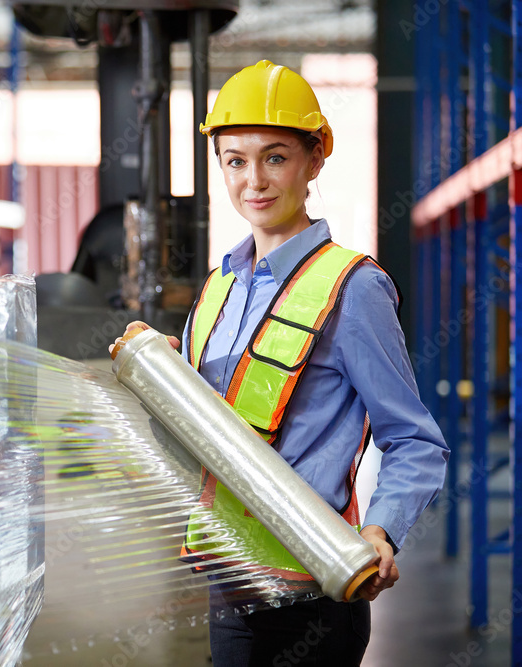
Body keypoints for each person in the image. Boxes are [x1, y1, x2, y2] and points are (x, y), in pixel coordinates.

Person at [110, 60, 448, 665]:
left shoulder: (353, 287)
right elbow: (194, 439)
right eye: (235, 160)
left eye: (275, 156)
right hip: (228, 580)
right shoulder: (217, 288)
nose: (254, 181)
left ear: (315, 160)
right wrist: (151, 374)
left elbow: (414, 439)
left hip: (315, 589)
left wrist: (380, 531)